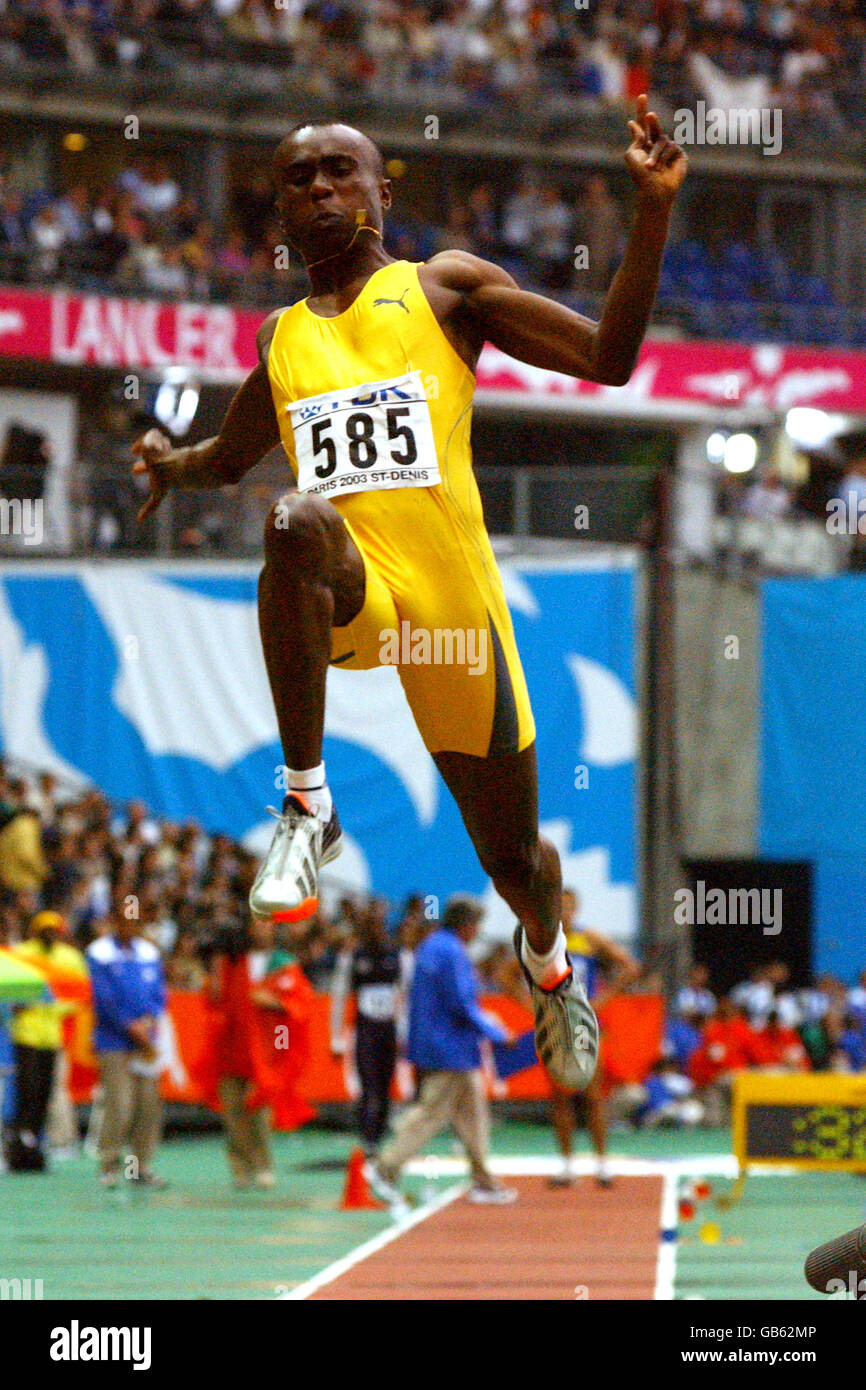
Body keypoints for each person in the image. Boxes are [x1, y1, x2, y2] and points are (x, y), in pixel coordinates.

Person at [131, 97, 687, 1094]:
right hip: (360, 604)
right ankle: (306, 804)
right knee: (294, 521)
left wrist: (649, 211)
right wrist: (171, 465)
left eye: (338, 169)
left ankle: (551, 962)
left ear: (382, 192)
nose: (316, 187)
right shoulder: (280, 338)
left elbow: (609, 357)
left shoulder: (443, 290)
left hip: (454, 627)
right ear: (279, 213)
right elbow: (232, 455)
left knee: (515, 861)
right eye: (296, 177)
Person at [365, 895, 516, 1205]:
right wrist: (496, 1033)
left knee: (473, 1114)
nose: (478, 932)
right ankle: (385, 1167)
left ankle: (483, 1179)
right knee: (432, 1112)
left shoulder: (433, 946)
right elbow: (460, 1002)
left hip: (442, 1046)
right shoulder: (451, 951)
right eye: (476, 925)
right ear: (466, 925)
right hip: (451, 1049)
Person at [199, 915, 316, 1188]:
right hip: (230, 1047)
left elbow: (300, 1000)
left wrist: (272, 1000)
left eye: (267, 925)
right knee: (232, 1112)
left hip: (264, 1050)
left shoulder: (282, 962)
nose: (263, 930)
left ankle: (263, 1166)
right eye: (257, 924)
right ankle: (240, 1167)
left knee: (259, 1110)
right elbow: (214, 998)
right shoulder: (231, 961)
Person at [546, 889, 640, 1188]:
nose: (563, 913)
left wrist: (603, 999)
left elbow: (630, 966)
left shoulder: (590, 939)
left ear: (576, 909)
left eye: (568, 908)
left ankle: (601, 1163)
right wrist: (528, 1003)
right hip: (555, 1025)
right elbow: (507, 973)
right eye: (558, 907)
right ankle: (567, 1165)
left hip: (586, 1025)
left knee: (593, 1096)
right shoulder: (542, 940)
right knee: (559, 1097)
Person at [85, 908, 168, 1188]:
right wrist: (128, 1025)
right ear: (114, 922)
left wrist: (147, 1022)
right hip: (113, 1042)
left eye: (136, 922)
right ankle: (109, 1166)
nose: (130, 926)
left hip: (145, 1041)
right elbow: (102, 996)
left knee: (148, 1106)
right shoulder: (99, 953)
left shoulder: (148, 953)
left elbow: (158, 994)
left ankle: (138, 1169)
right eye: (125, 921)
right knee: (120, 1106)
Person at [6, 910, 88, 1172]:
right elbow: (8, 986)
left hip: (51, 1035)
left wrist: (52, 1007)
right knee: (26, 1092)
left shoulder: (69, 957)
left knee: (43, 1094)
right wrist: (17, 1005)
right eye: (45, 930)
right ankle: (19, 1146)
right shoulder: (22, 953)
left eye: (54, 930)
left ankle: (34, 1146)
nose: (50, 935)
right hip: (26, 1033)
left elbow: (80, 993)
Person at [330, 904, 411, 1154]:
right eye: (372, 924)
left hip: (389, 1028)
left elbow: (406, 995)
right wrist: (335, 1037)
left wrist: (405, 1032)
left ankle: (381, 1134)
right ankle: (367, 1138)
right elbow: (339, 997)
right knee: (368, 1083)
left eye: (380, 924)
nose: (377, 929)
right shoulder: (352, 957)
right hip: (365, 1029)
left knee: (386, 1084)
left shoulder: (399, 955)